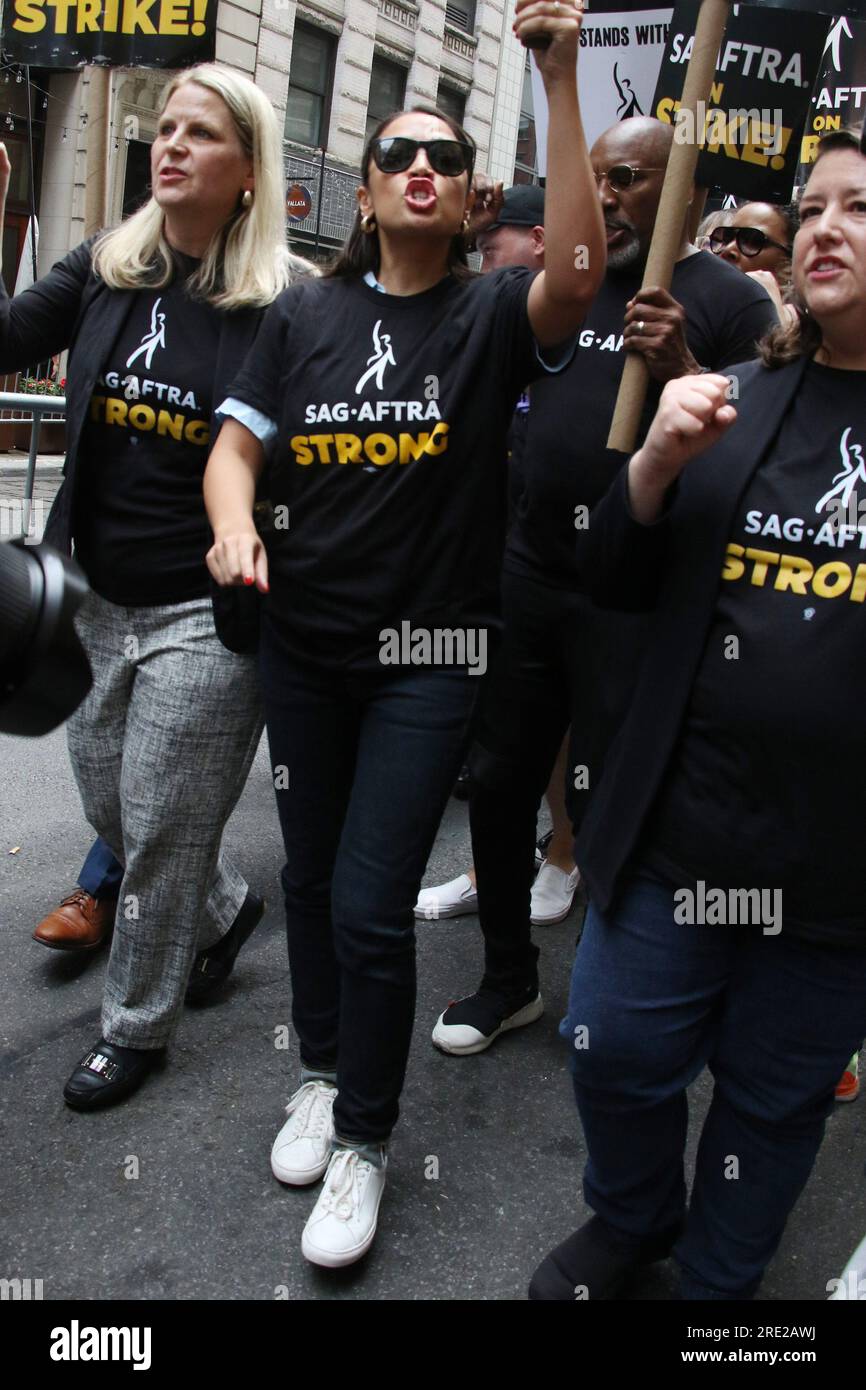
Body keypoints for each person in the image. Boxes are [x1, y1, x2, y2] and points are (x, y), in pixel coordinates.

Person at [204, 0, 605, 1268]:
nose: (419, 167)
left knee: (373, 902)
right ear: (367, 196)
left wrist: (557, 79)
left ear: (466, 198)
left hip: (430, 661)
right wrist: (231, 527)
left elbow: (584, 274)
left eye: (441, 157)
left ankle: (368, 1137)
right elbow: (232, 451)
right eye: (396, 156)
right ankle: (320, 1071)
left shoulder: (490, 316)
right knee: (314, 886)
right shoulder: (302, 319)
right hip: (305, 652)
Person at [531, 127, 866, 1301]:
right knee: (613, 1047)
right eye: (810, 206)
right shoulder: (735, 401)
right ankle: (631, 1215)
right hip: (679, 835)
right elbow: (615, 581)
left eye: (856, 208)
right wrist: (649, 472)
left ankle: (717, 1277)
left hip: (831, 881)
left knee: (773, 1101)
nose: (823, 227)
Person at [430, 116, 779, 1057]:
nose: (611, 196)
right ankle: (509, 979)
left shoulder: (728, 302)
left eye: (630, 178)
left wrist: (685, 368)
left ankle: (610, 987)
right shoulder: (563, 285)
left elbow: (769, 463)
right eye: (597, 178)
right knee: (501, 782)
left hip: (640, 600)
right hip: (529, 579)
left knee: (614, 801)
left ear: (688, 198)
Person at [0, 63, 311, 1108]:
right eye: (165, 128)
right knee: (115, 807)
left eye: (201, 134)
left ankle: (135, 1026)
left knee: (164, 823)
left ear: (248, 169)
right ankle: (219, 912)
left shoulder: (287, 307)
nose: (170, 145)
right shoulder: (104, 266)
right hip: (91, 599)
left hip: (205, 612)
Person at [416, 184, 581, 929]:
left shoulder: (567, 318)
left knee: (558, 734)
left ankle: (568, 857)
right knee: (494, 744)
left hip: (569, 571)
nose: (482, 253)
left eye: (495, 241)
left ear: (541, 241)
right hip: (487, 565)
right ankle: (493, 868)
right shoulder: (481, 317)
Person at [709, 199, 799, 326]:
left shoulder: (810, 334)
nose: (728, 249)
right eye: (727, 238)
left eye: (752, 240)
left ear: (790, 263)